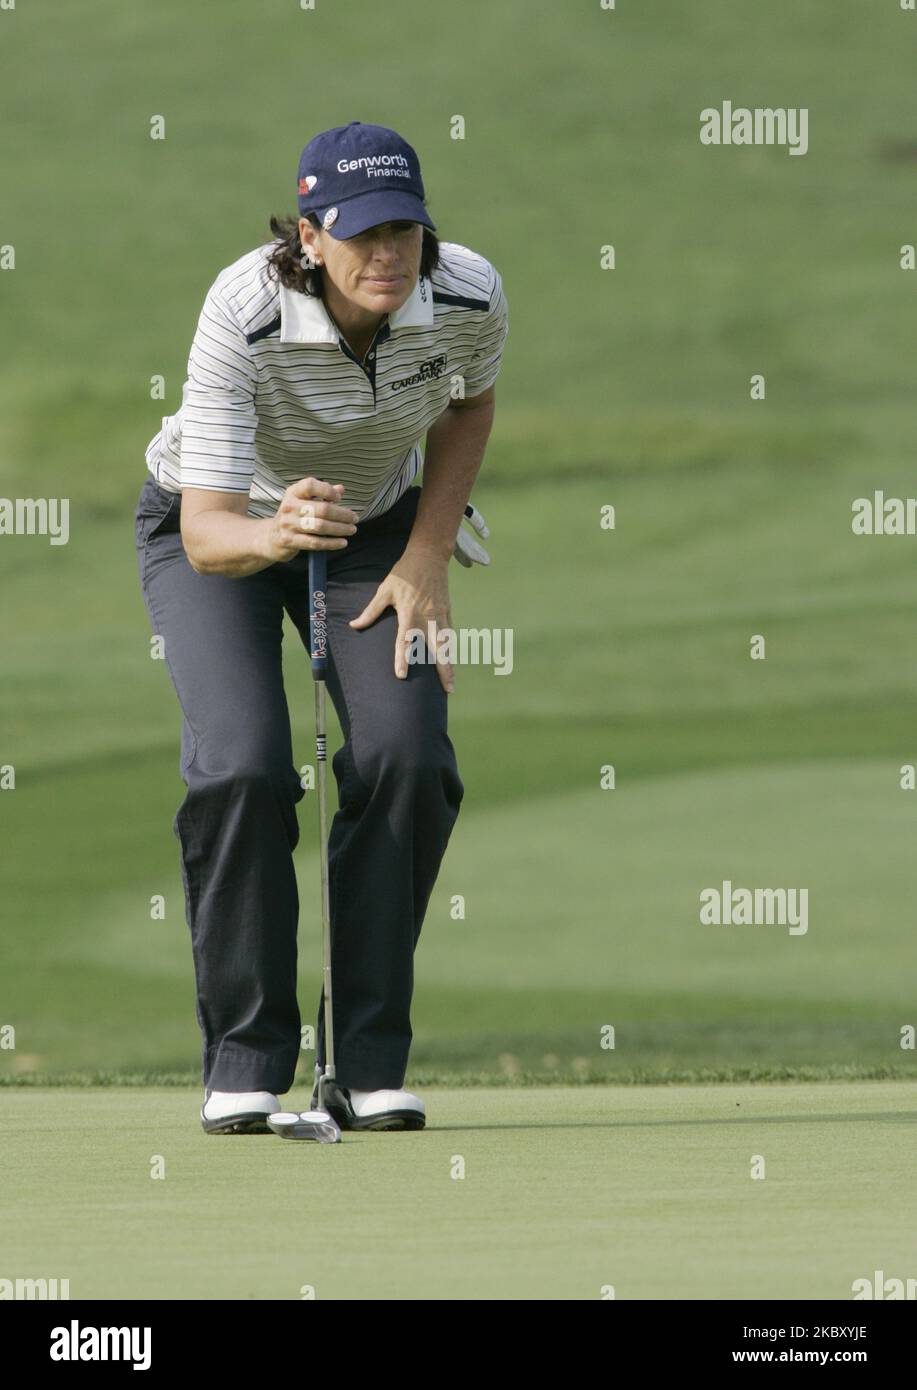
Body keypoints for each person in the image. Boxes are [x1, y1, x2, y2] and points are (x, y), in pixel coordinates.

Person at [135, 121, 509, 1133]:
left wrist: (427, 553)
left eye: (406, 232)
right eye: (362, 234)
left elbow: (467, 407)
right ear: (310, 236)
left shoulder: (468, 292)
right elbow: (208, 530)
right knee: (244, 766)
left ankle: (367, 1061)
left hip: (373, 529)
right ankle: (246, 1059)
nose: (388, 255)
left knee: (406, 755)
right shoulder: (243, 309)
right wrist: (275, 533)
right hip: (216, 527)